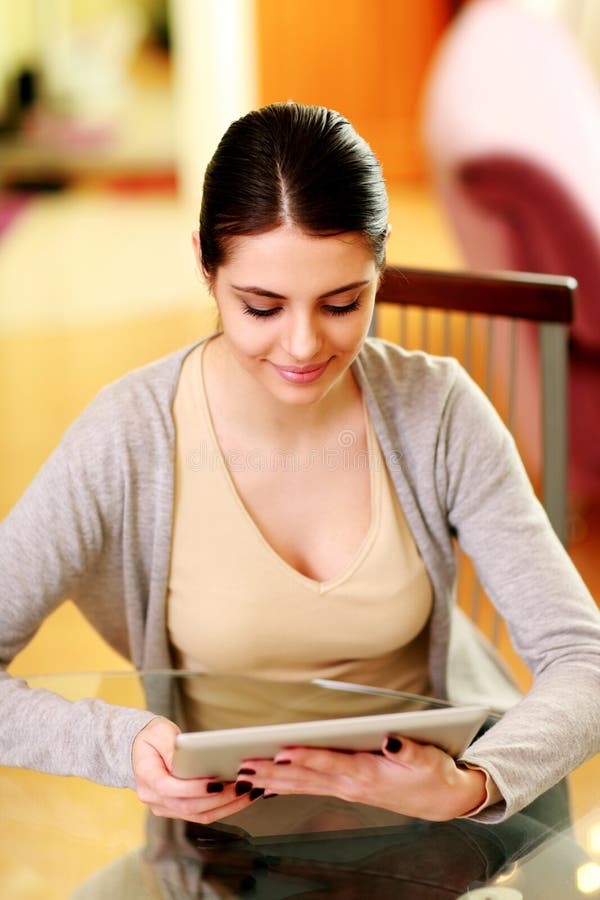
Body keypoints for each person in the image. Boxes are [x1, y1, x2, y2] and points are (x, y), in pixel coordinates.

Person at [1, 103, 599, 840]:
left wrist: (470, 786)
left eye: (344, 303)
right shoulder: (129, 435)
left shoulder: (437, 411)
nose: (303, 345)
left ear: (380, 266)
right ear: (204, 264)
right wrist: (117, 746)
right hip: (230, 854)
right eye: (261, 307)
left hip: (447, 837)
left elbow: (582, 658)